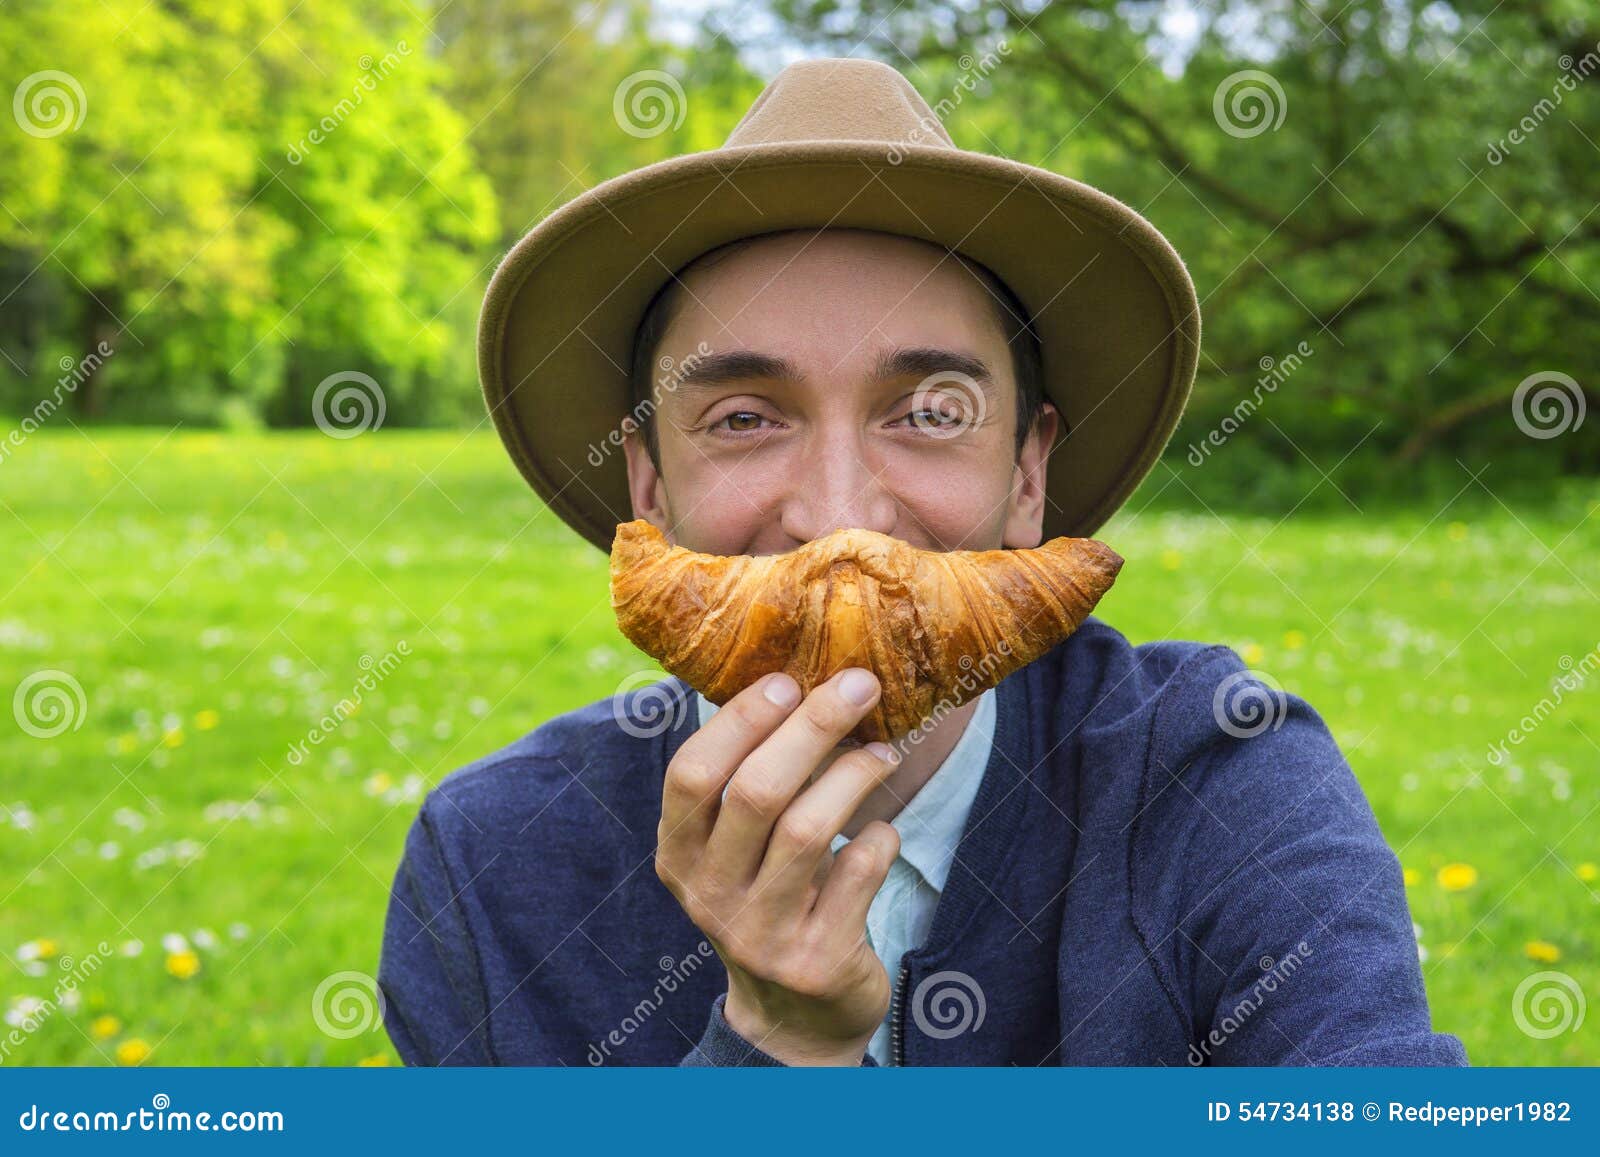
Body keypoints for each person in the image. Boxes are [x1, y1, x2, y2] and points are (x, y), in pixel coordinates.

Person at [378, 57, 1465, 1067]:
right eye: (746, 417)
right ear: (651, 488)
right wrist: (776, 1045)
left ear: (1029, 472)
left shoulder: (1217, 775)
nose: (842, 518)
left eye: (931, 411)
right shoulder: (492, 868)